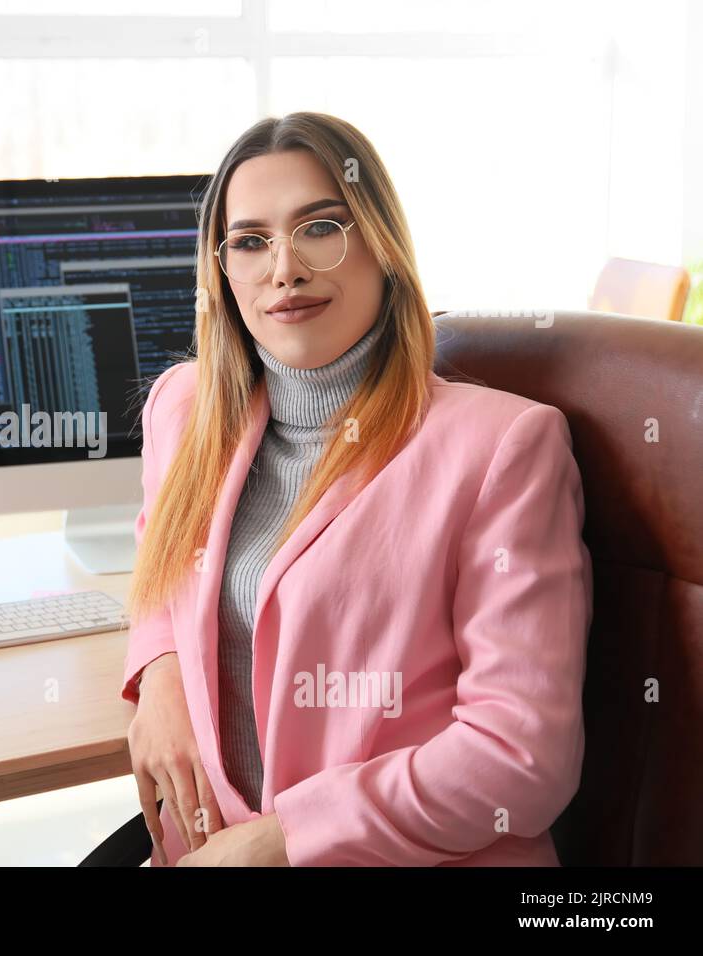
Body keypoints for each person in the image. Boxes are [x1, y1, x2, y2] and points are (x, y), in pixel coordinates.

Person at [122, 111, 593, 867]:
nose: (285, 269)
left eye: (320, 228)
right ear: (223, 273)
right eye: (250, 242)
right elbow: (163, 557)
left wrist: (283, 842)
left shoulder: (502, 447)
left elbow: (521, 757)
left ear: (380, 243)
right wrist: (158, 677)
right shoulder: (184, 408)